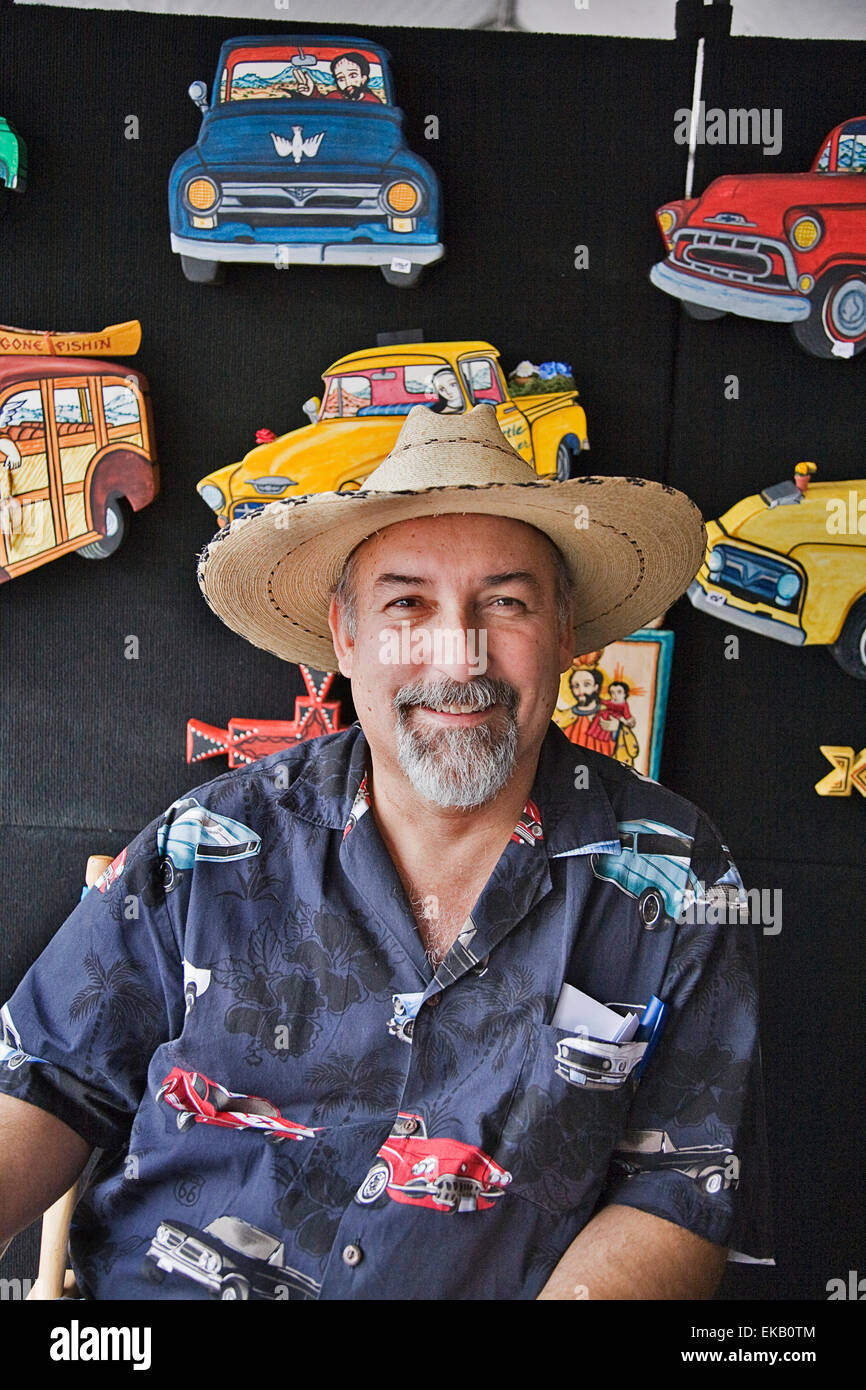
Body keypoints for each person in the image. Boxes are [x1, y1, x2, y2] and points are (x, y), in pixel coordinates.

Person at [0, 406, 771, 1300]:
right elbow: (41, 1082)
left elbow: (680, 1193)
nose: (457, 650)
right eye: (408, 603)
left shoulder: (674, 875)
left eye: (506, 602)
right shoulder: (211, 845)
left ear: (566, 634)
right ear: (346, 634)